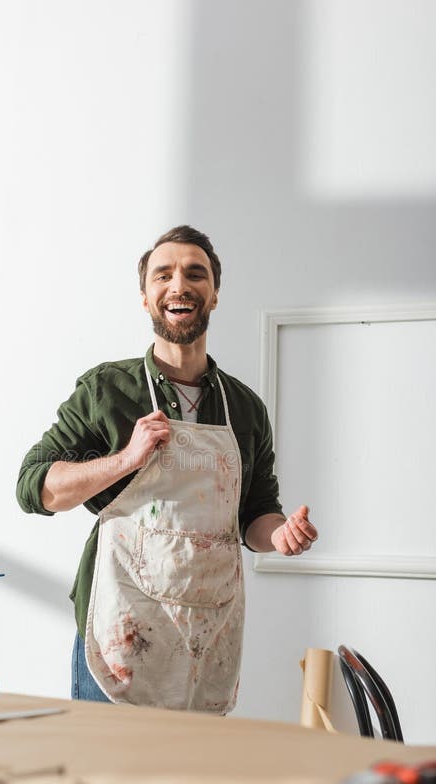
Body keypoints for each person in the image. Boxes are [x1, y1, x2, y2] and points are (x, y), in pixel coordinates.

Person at [17, 225, 318, 713]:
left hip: (208, 635)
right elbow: (35, 487)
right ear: (146, 296)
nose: (179, 285)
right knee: (108, 782)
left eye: (195, 274)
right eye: (164, 275)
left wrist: (280, 535)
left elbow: (257, 515)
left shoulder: (244, 408)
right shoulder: (107, 391)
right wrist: (127, 459)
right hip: (120, 633)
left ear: (214, 295)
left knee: (190, 783)